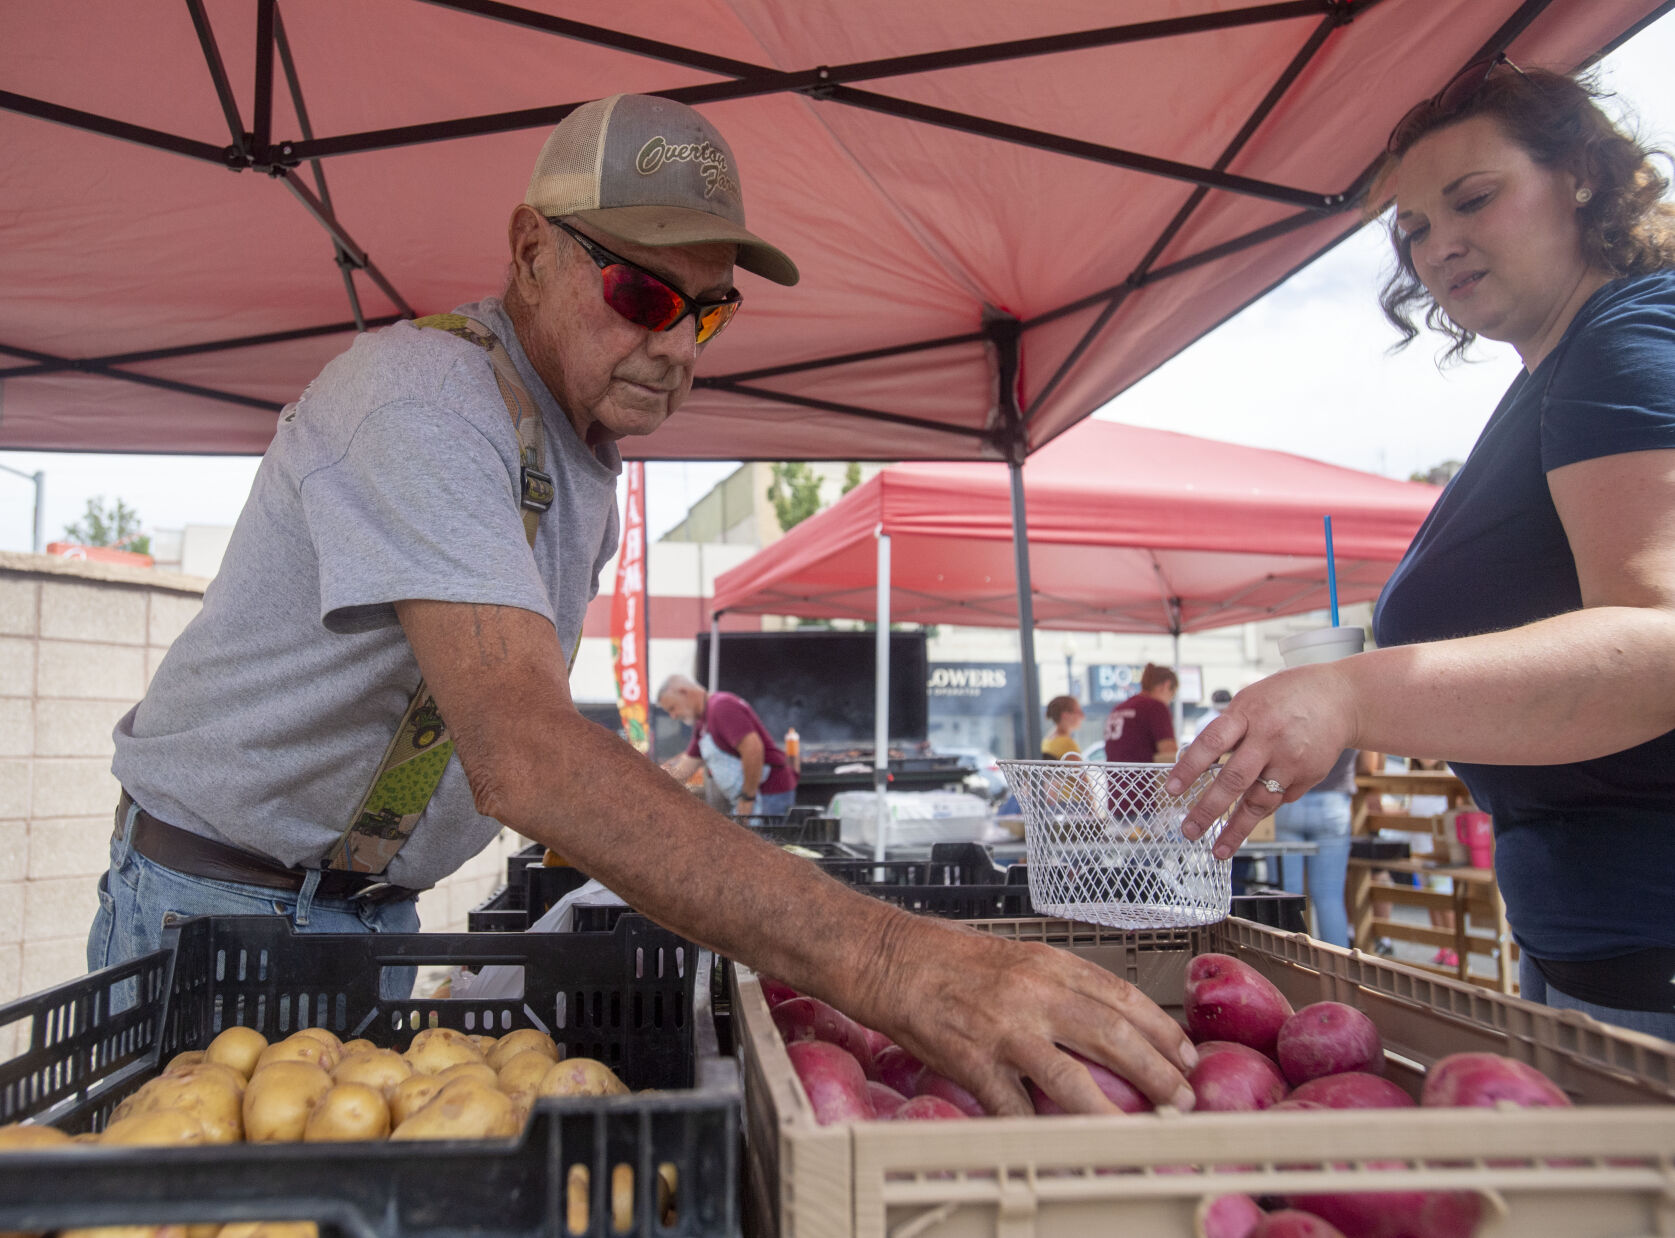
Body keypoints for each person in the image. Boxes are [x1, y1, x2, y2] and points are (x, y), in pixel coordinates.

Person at [87, 93, 1198, 1113]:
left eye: (707, 312)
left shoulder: (577, 456)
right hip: (216, 910)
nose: (673, 345)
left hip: (361, 911)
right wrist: (891, 960)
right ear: (530, 250)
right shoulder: (421, 400)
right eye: (640, 292)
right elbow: (522, 750)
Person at [1171, 60, 1675, 1038]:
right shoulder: (1561, 368)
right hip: (1595, 951)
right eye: (1410, 230)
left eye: (1472, 200)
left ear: (1578, 172)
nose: (1437, 244)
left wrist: (1351, 694)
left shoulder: (1623, 340)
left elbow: (1660, 646)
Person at [1271, 748, 1380, 948]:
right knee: (1329, 897)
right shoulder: (1350, 717)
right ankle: (1339, 972)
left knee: (1285, 894)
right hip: (1333, 802)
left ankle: (1285, 968)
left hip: (1289, 800)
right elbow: (1367, 765)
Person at [656, 675, 797, 817]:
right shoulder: (702, 723)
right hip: (749, 797)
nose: (673, 716)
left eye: (672, 708)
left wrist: (748, 798)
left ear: (683, 692)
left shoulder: (721, 707)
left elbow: (753, 749)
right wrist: (656, 786)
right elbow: (686, 766)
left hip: (768, 795)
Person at [1103, 664, 1179, 763]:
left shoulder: (1118, 708)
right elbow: (1170, 752)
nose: (1169, 701)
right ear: (1167, 685)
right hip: (1143, 776)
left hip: (1114, 777)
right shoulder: (1156, 707)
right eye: (1172, 695)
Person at [1041, 695, 1085, 760]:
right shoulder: (1068, 745)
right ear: (1065, 715)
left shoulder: (1046, 740)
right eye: (1078, 712)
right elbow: (1077, 770)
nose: (1083, 716)